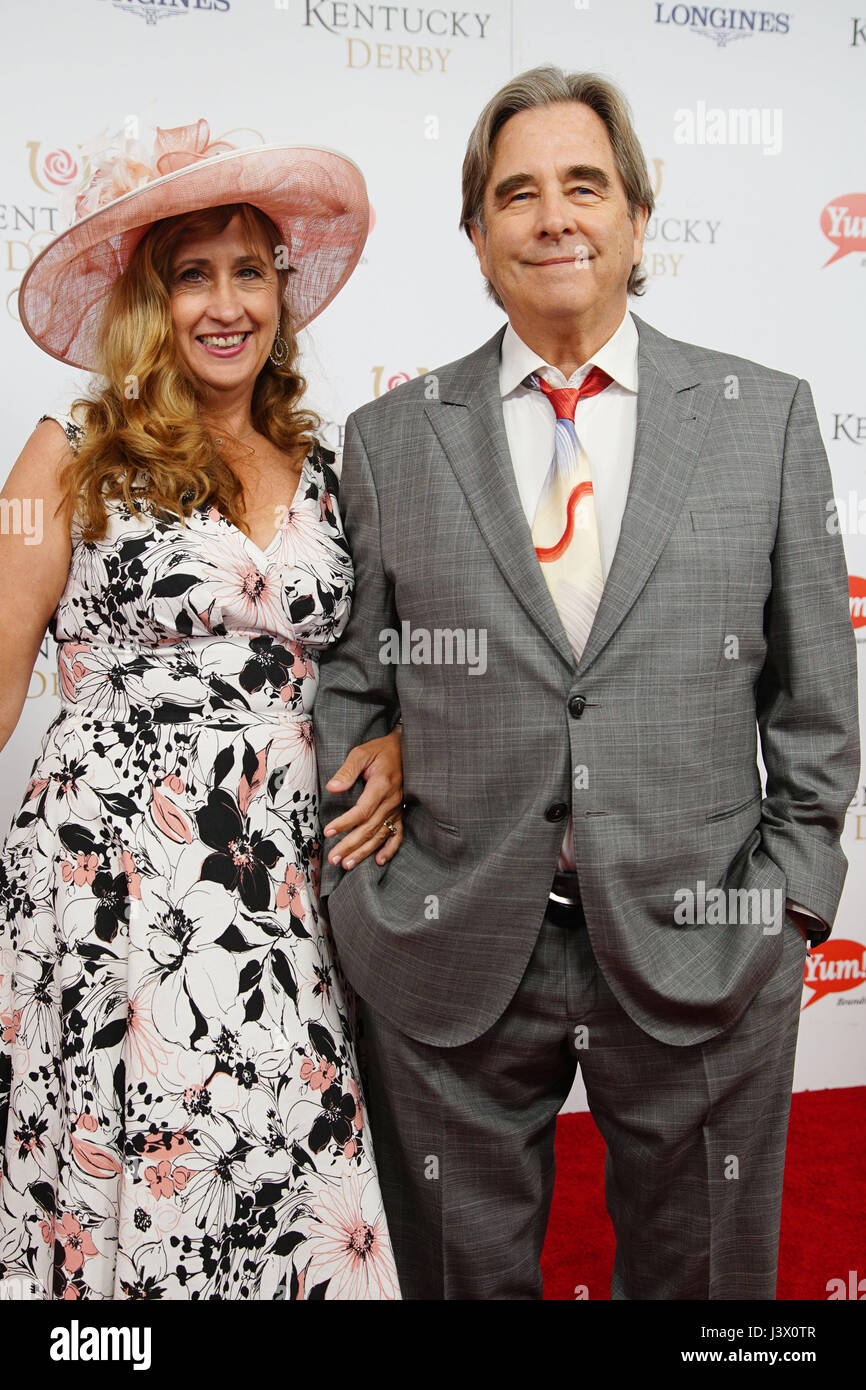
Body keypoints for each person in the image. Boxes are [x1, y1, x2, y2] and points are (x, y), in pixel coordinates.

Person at [314, 66, 860, 1300]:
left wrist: (783, 912)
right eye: (515, 193)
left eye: (582, 185)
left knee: (712, 1299)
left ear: (634, 218)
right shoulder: (392, 440)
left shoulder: (760, 418)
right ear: (474, 236)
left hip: (706, 948)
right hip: (448, 955)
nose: (551, 215)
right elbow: (356, 680)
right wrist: (364, 892)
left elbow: (817, 707)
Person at [0, 121, 403, 1300]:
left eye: (250, 270)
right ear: (148, 300)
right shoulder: (68, 453)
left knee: (288, 1185)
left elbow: (391, 668)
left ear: (280, 292)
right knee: (109, 1170)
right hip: (105, 886)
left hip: (277, 886)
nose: (225, 303)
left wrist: (400, 738)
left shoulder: (332, 470)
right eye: (192, 273)